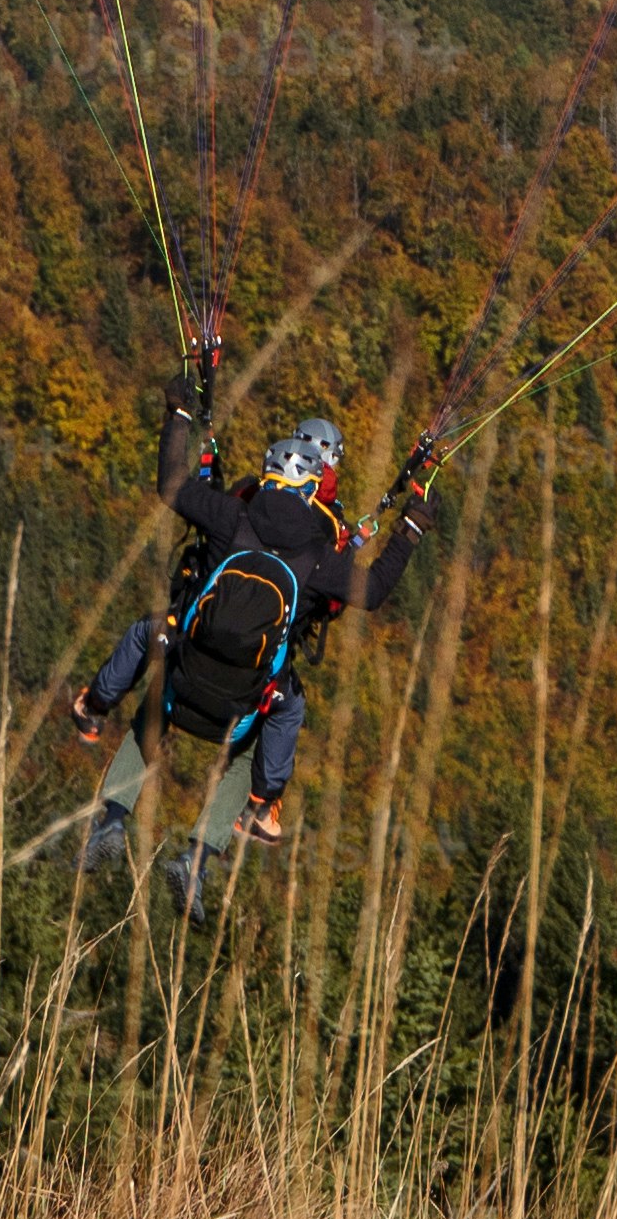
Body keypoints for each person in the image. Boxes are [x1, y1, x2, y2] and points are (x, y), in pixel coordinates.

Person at [62, 312, 415, 902]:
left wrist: (180, 413)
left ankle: (109, 799)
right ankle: (208, 852)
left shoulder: (236, 512)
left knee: (156, 662)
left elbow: (172, 487)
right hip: (243, 704)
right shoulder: (318, 548)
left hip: (187, 676)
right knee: (278, 708)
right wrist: (410, 528)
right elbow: (372, 592)